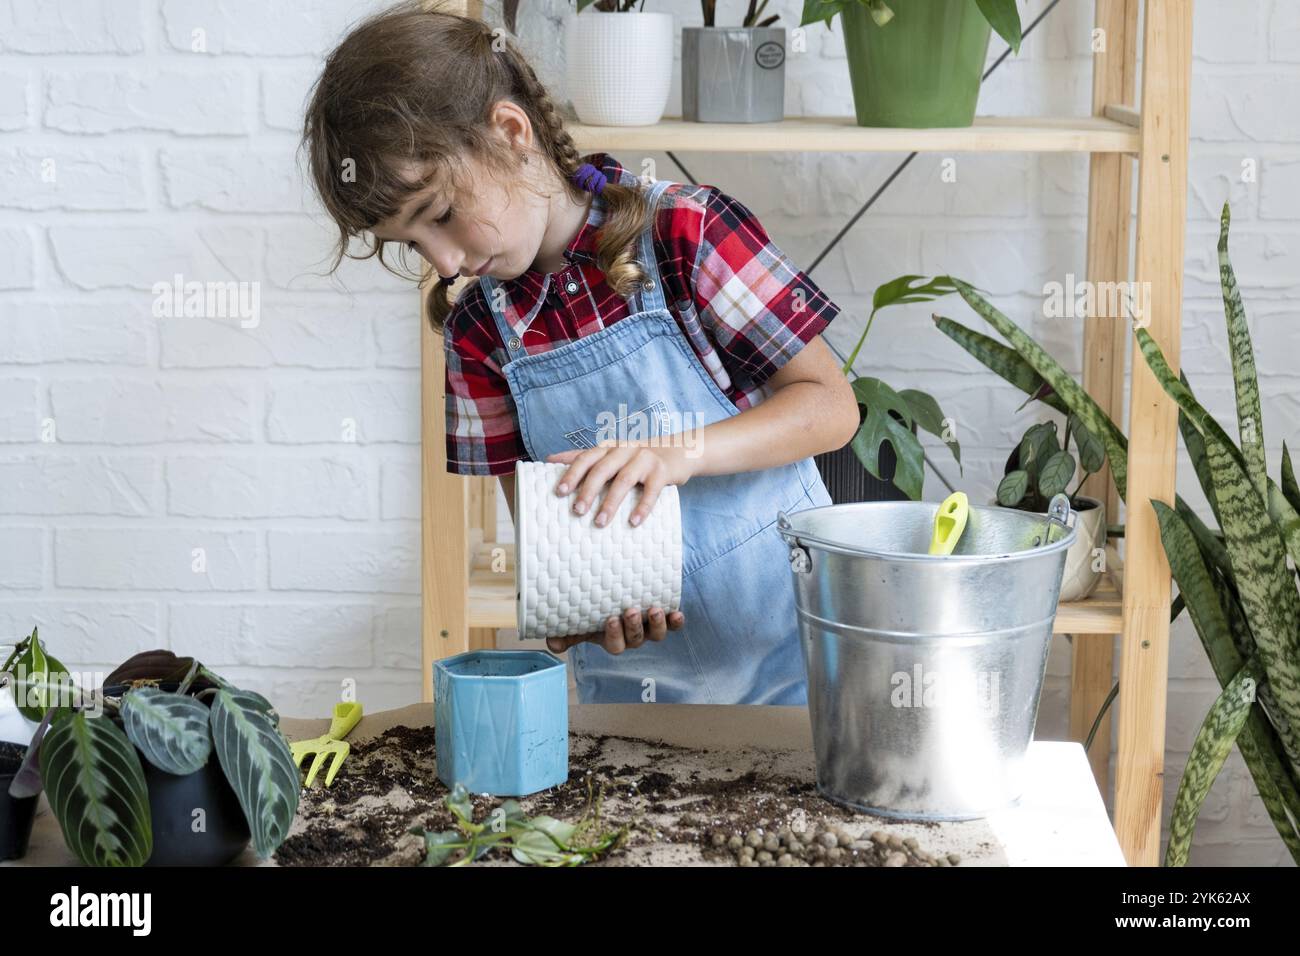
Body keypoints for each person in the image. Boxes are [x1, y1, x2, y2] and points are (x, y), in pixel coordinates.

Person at [301, 2, 859, 704]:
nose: (444, 263)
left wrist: (676, 453)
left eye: (440, 215)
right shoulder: (478, 334)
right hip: (635, 704)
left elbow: (831, 408)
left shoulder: (687, 232)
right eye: (411, 243)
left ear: (510, 132)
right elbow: (544, 548)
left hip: (800, 670)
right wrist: (577, 610)